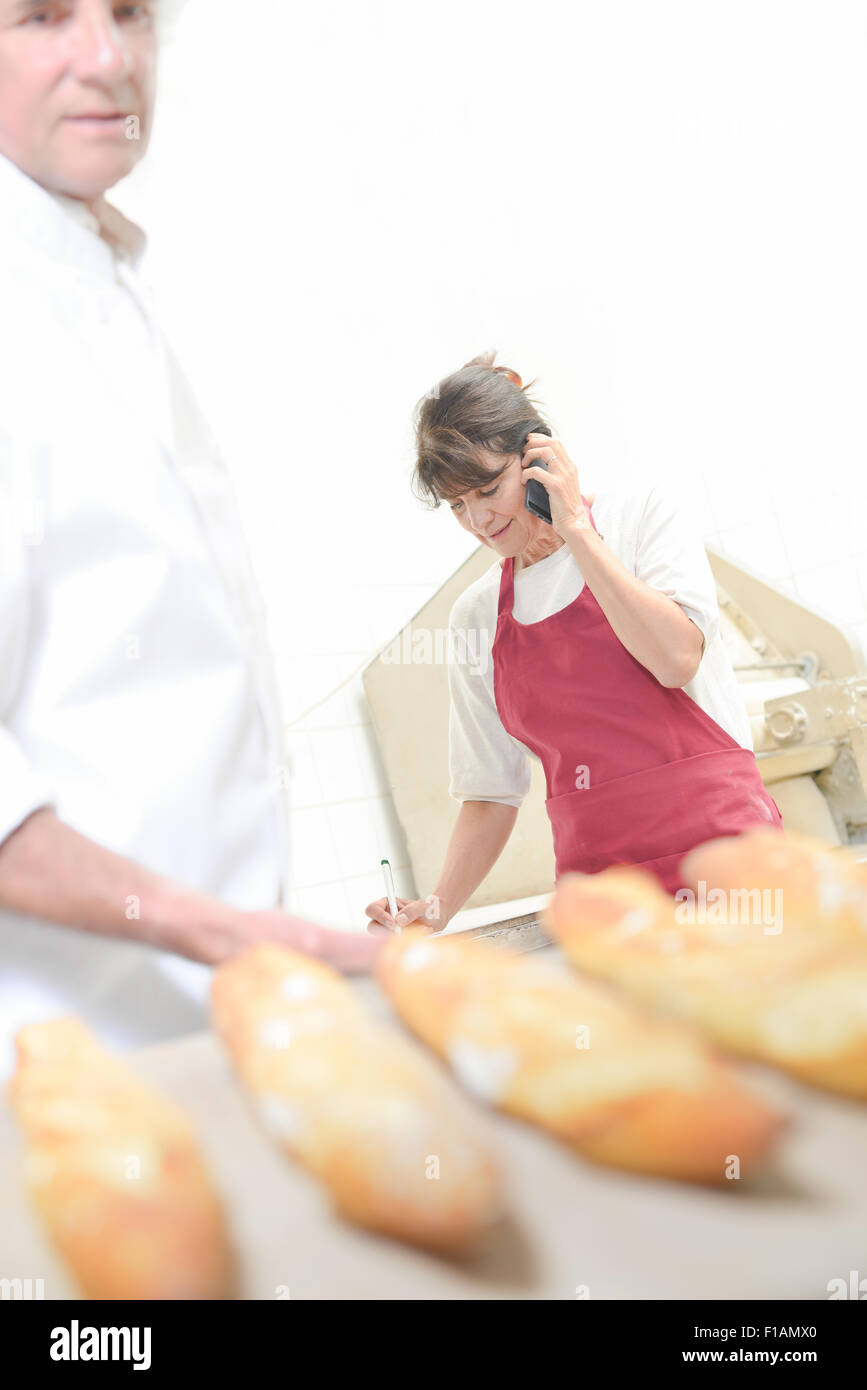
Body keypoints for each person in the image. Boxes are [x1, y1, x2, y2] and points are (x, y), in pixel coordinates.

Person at [0, 0, 377, 1074]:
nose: (106, 57)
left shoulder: (93, 283)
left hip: (201, 1039)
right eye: (42, 17)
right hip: (59, 1068)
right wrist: (215, 930)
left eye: (129, 12)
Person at [365, 352, 782, 933]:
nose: (478, 521)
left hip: (732, 872)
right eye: (457, 505)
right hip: (602, 906)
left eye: (489, 488)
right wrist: (431, 912)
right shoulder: (477, 616)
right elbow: (489, 793)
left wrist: (576, 531)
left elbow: (676, 659)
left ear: (537, 457)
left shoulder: (640, 520)